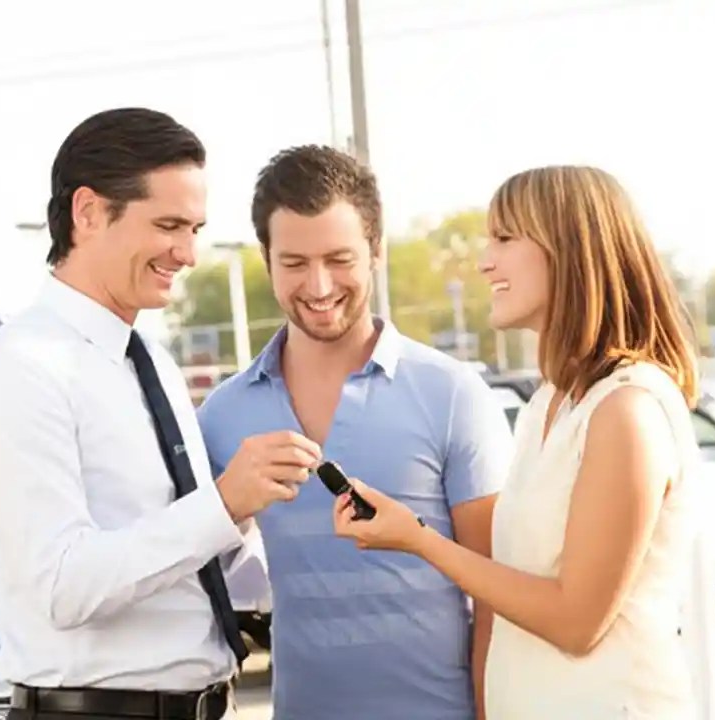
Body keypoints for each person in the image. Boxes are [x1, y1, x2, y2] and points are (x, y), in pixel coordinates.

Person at [0, 107, 320, 720]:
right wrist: (224, 502)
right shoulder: (18, 371)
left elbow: (180, 560)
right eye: (170, 225)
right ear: (89, 213)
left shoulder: (149, 361)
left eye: (196, 227)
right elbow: (62, 588)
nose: (189, 252)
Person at [333, 165, 715, 718]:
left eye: (504, 238)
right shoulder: (550, 404)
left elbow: (576, 622)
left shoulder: (626, 410)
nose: (484, 261)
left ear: (568, 249)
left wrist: (419, 540)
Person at [196, 145, 513, 720]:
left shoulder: (452, 395)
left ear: (376, 252)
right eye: (293, 263)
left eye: (338, 259)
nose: (318, 286)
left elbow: (496, 595)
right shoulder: (223, 416)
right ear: (266, 259)